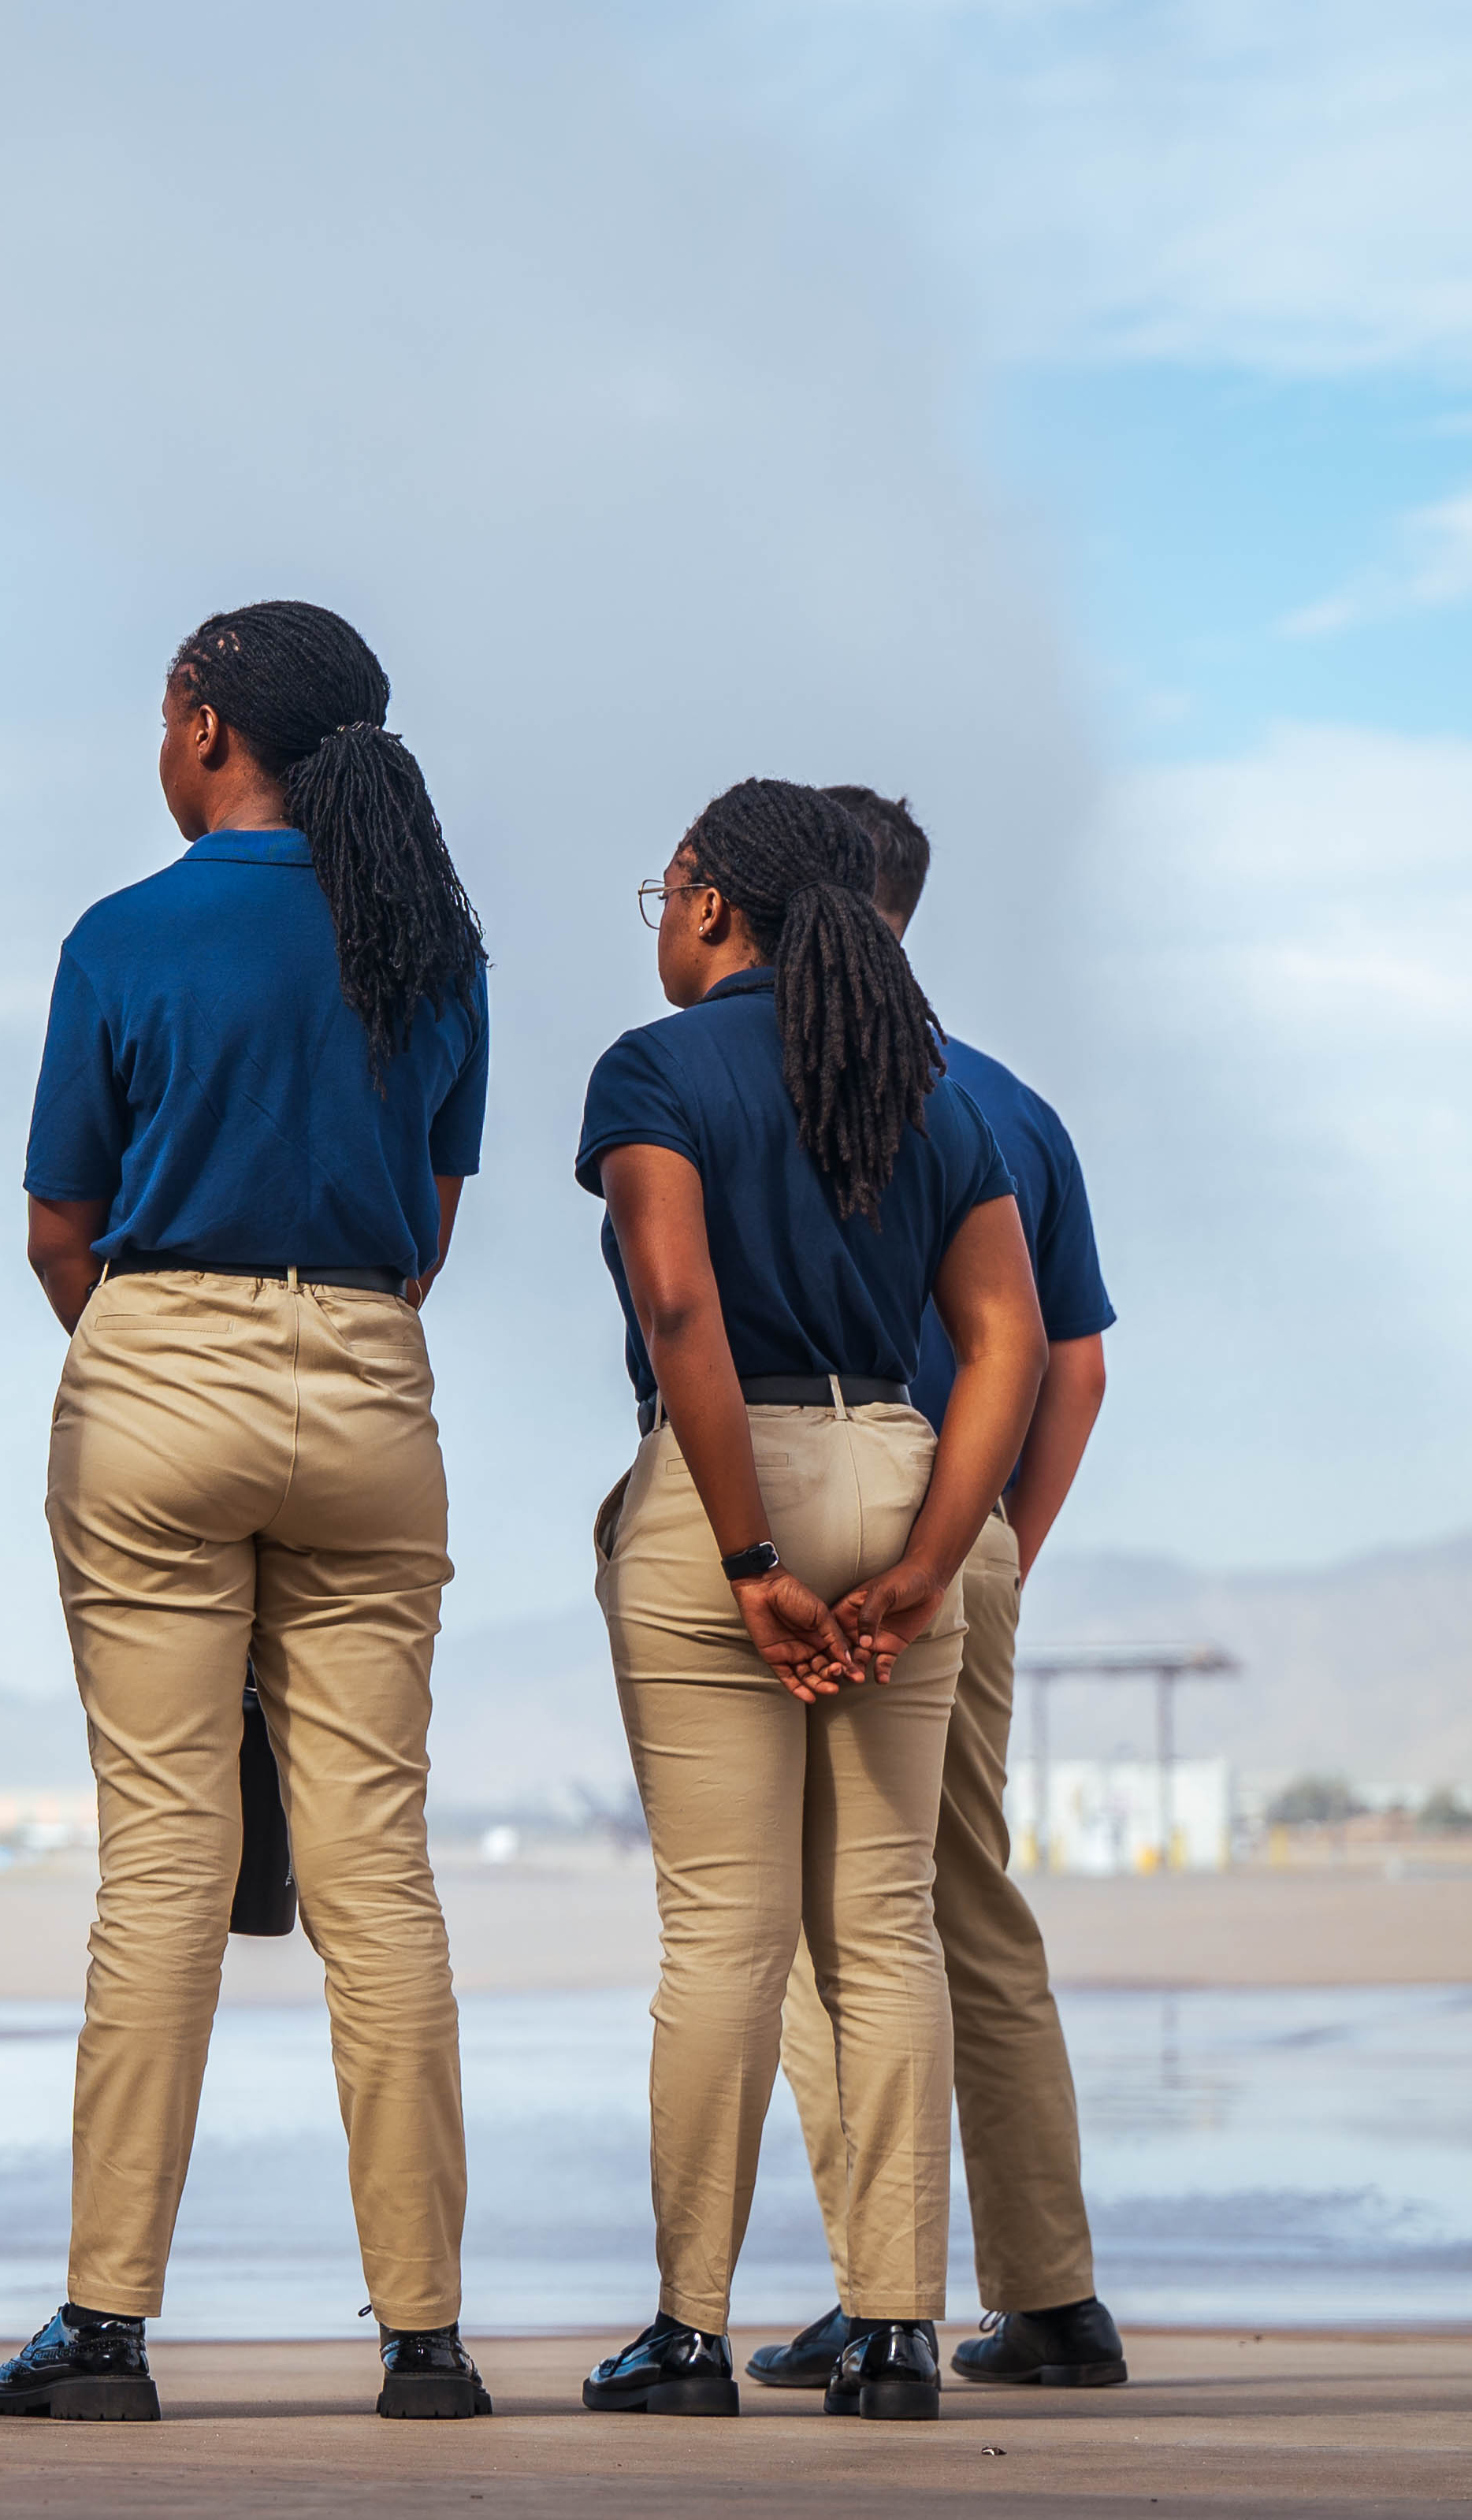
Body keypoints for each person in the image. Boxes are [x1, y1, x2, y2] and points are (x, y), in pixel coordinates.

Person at [0, 600, 494, 2425]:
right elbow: (427, 1227)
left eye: (163, 717)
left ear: (203, 729)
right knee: (376, 1873)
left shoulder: (122, 935)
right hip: (365, 1378)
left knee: (162, 1865)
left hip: (155, 1369)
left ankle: (105, 2328)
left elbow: (56, 1227)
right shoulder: (431, 946)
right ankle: (423, 2341)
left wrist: (155, 1354)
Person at [573, 779, 1046, 2425]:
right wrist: (925, 1559)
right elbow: (1006, 1339)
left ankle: (686, 2335)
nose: (662, 917)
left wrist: (749, 1559)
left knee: (723, 1932)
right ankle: (897, 2331)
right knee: (885, 1923)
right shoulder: (921, 1083)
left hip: (734, 1472)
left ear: (709, 901)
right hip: (898, 1461)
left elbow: (678, 1306)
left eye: (666, 888)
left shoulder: (653, 1070)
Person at [746, 788, 1128, 2394]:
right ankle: (1050, 2294)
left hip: (803, 1530)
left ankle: (875, 2286)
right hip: (958, 1541)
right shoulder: (1007, 1104)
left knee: (818, 1911)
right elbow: (1068, 1364)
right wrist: (991, 1547)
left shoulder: (756, 1081)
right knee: (963, 1897)